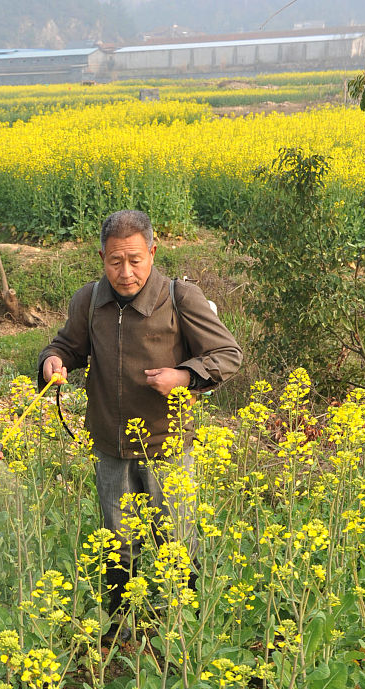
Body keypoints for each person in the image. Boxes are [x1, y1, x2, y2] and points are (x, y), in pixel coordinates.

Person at [38, 208, 243, 617]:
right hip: (111, 447)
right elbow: (66, 347)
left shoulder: (180, 298)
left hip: (167, 446)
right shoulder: (90, 300)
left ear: (152, 251)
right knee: (117, 544)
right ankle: (120, 627)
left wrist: (183, 375)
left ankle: (183, 627)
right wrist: (52, 362)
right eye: (115, 261)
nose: (126, 271)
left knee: (176, 540)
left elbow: (227, 354)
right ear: (102, 259)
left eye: (135, 259)